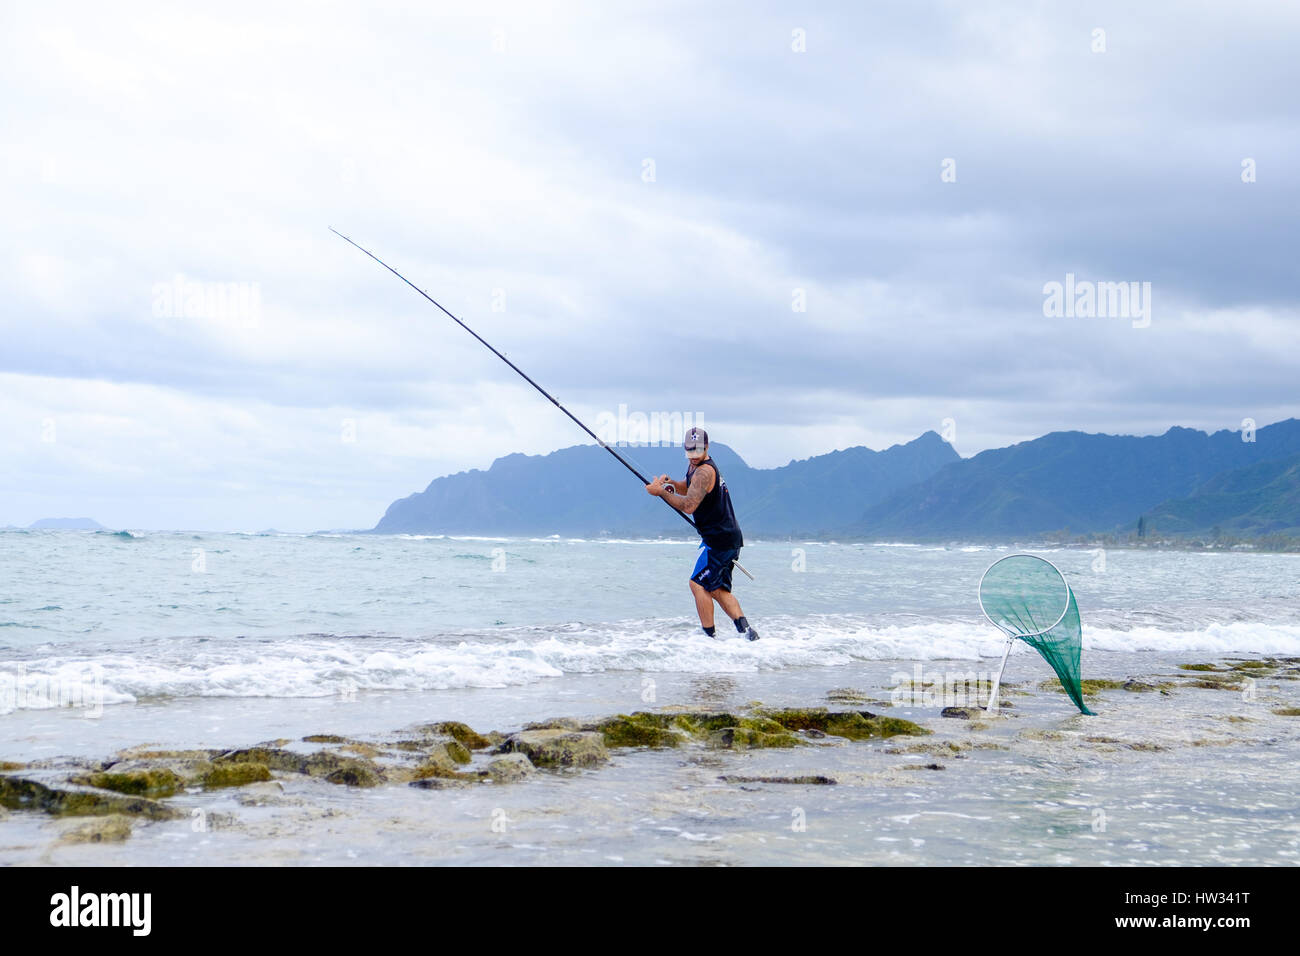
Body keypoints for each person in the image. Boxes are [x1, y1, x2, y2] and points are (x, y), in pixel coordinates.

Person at [646, 427, 759, 641]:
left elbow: (689, 505)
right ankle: (747, 633)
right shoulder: (694, 467)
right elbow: (689, 488)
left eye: (697, 451)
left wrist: (660, 492)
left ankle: (708, 638)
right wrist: (670, 484)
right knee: (716, 589)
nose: (693, 455)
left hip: (720, 540)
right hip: (723, 538)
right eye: (689, 451)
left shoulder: (705, 472)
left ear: (707, 447)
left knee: (697, 584)